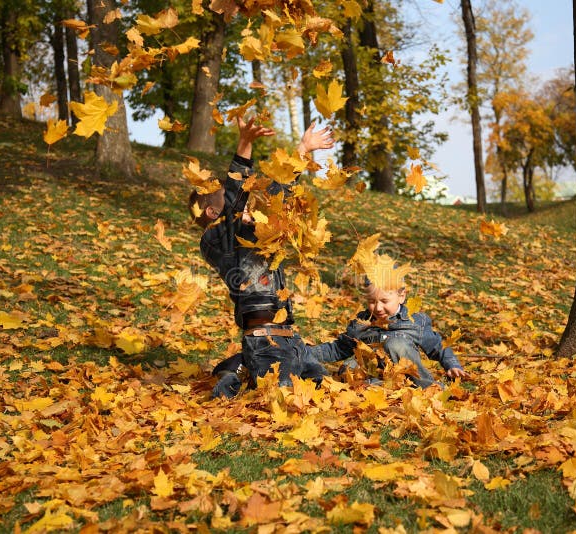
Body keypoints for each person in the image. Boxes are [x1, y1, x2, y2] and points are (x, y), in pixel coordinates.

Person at [188, 115, 334, 398]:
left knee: (321, 382)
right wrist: (244, 145)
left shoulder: (255, 236)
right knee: (280, 394)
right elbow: (234, 197)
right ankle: (231, 382)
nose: (246, 206)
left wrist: (302, 151)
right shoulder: (216, 240)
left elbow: (281, 198)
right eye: (235, 204)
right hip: (264, 340)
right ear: (212, 213)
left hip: (292, 340)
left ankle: (237, 367)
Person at [311, 279, 470, 389]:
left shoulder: (415, 321)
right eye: (372, 301)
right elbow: (339, 348)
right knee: (348, 369)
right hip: (374, 373)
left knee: (396, 343)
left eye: (384, 301)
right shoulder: (362, 322)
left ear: (401, 296)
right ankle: (379, 388)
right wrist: (307, 353)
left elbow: (438, 346)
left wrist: (452, 365)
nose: (378, 308)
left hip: (405, 372)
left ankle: (426, 387)